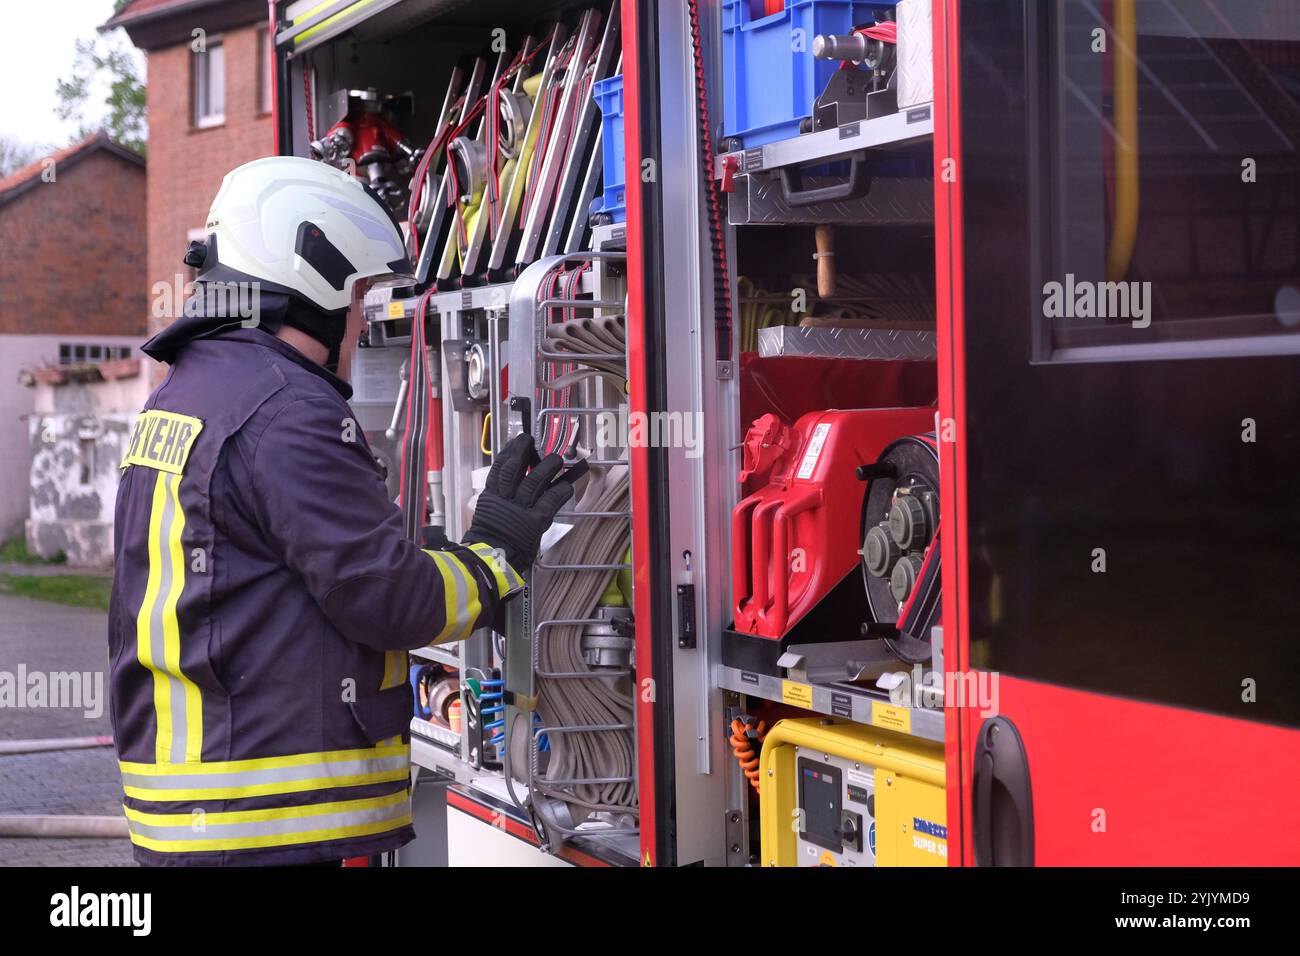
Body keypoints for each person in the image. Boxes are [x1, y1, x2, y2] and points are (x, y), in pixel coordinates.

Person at [109, 156, 575, 866]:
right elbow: (391, 601)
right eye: (358, 298)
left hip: (202, 812)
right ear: (313, 283)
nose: (361, 322)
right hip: (267, 826)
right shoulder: (287, 409)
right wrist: (496, 552)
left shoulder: (187, 395)